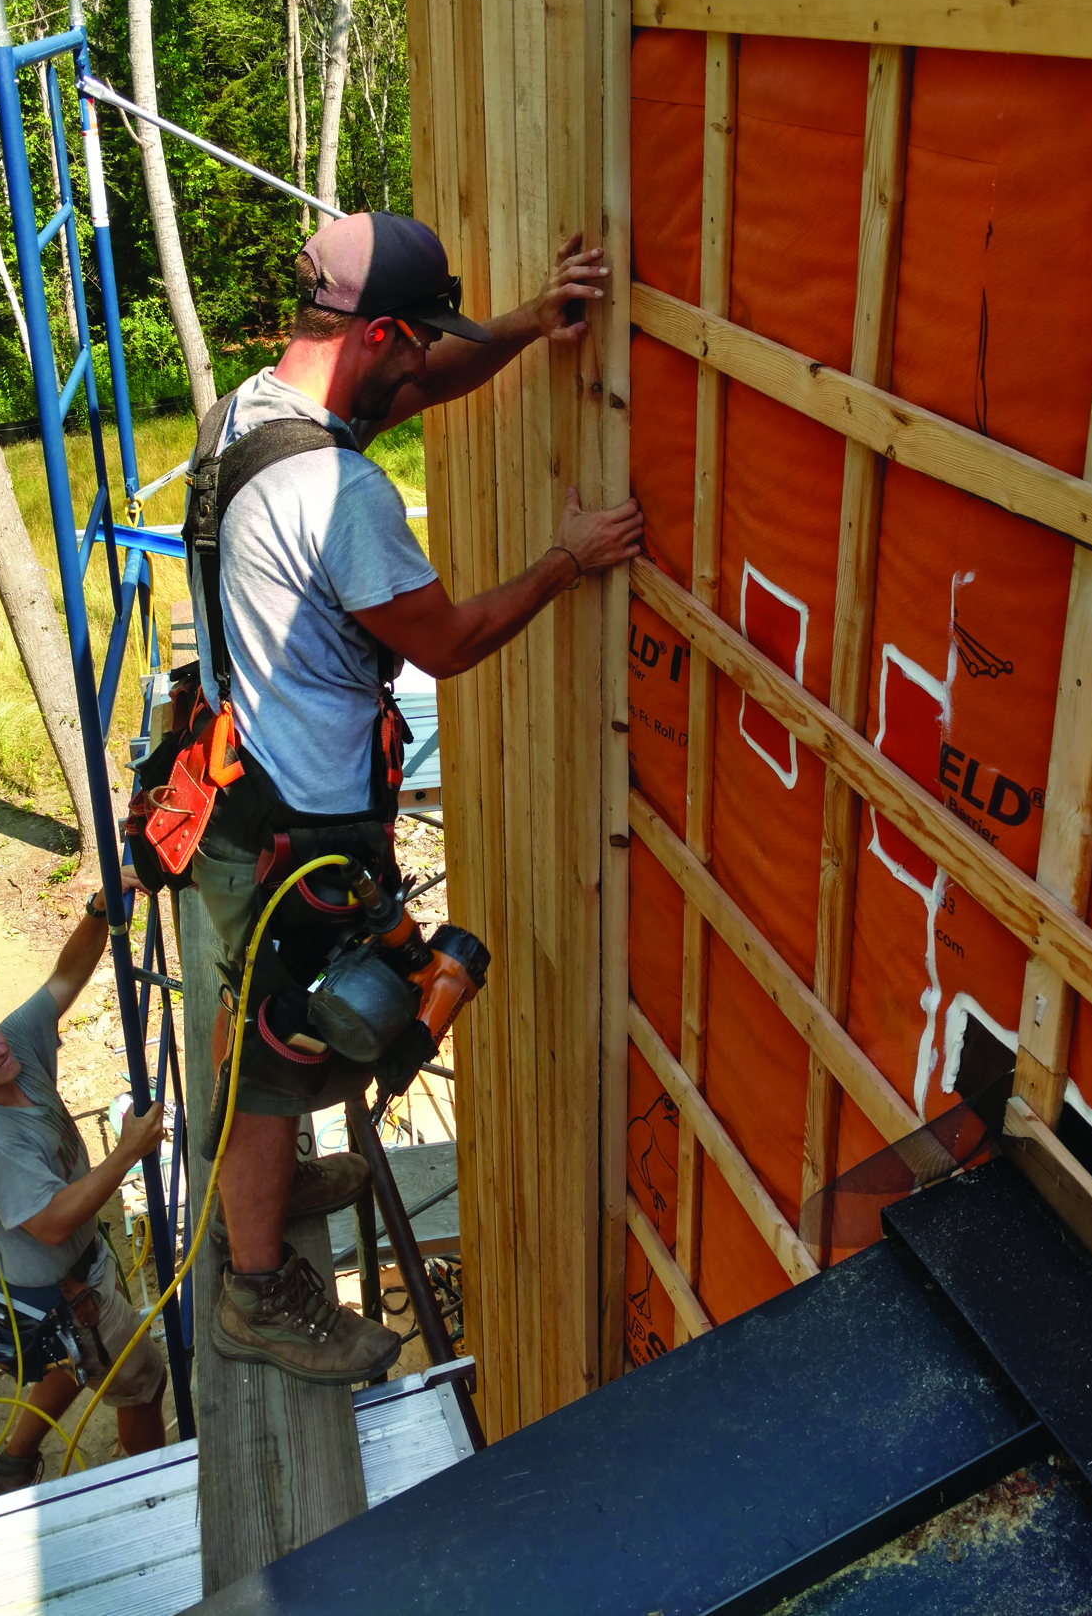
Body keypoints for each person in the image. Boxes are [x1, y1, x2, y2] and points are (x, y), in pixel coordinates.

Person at [189, 210, 644, 1385]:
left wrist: (524, 325)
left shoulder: (255, 411)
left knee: (283, 1032)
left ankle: (275, 1178)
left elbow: (418, 383)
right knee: (286, 1052)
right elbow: (445, 643)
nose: (422, 364)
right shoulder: (340, 496)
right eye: (415, 340)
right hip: (299, 826)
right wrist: (566, 558)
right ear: (376, 329)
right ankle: (256, 1291)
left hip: (248, 796)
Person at [0, 881, 168, 1496]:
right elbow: (54, 1221)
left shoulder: (13, 1052)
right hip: (64, 1285)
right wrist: (127, 1151)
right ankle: (155, 1491)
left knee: (73, 1359)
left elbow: (66, 979)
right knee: (142, 1380)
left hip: (71, 1273)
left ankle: (12, 1461)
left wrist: (101, 910)